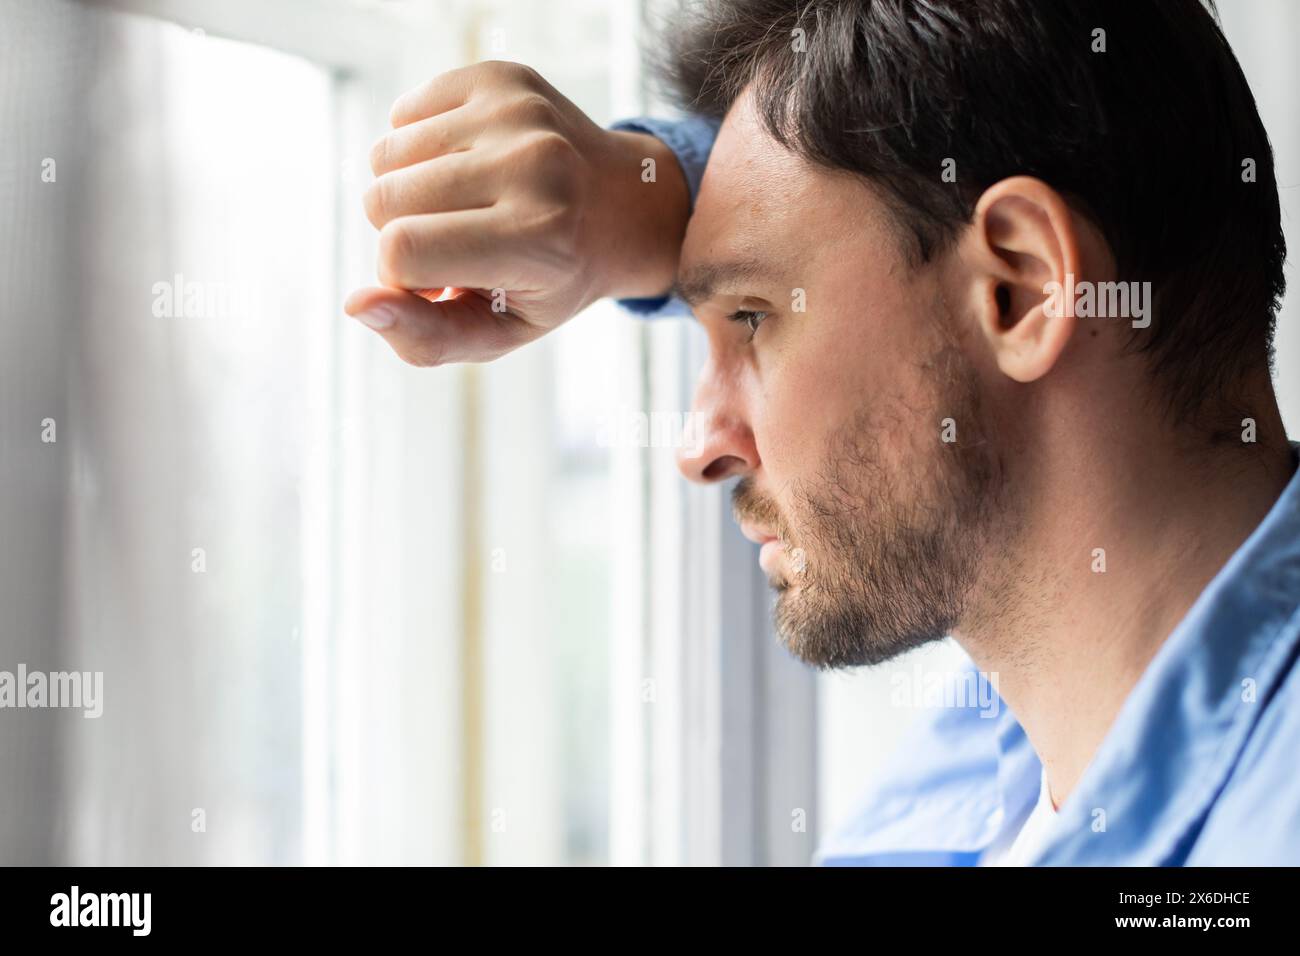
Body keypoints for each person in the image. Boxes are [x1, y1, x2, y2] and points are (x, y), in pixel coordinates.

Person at [344, 0, 1299, 865]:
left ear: (1023, 290)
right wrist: (653, 197)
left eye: (752, 320)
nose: (700, 445)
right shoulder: (1006, 751)